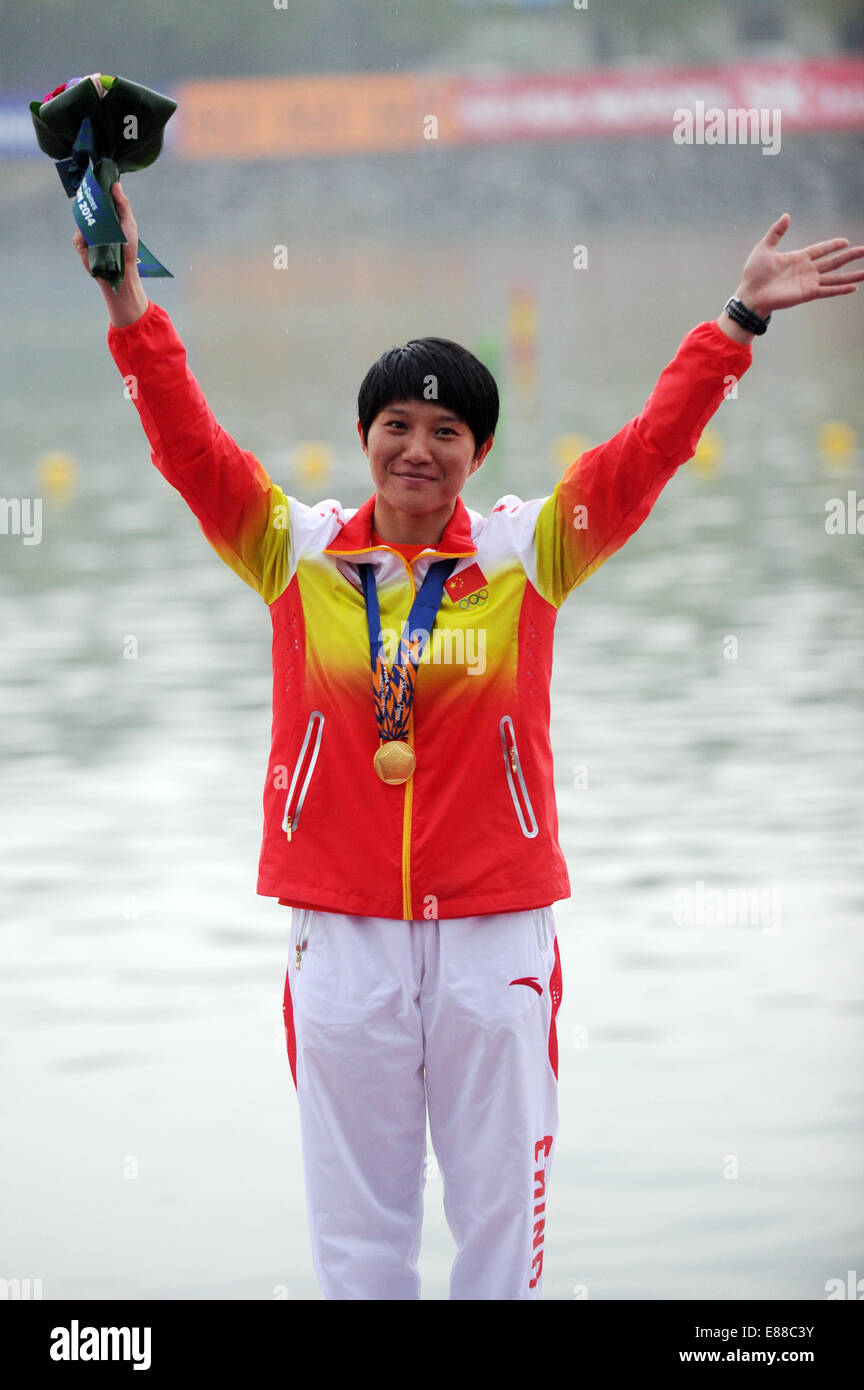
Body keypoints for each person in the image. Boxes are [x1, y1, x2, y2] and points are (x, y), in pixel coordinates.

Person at [75, 187, 863, 1300]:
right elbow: (186, 443)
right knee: (358, 1241)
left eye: (445, 432)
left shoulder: (526, 554)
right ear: (364, 438)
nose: (418, 448)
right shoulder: (293, 552)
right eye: (397, 425)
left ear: (478, 450)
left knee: (501, 1231)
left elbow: (646, 454)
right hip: (342, 929)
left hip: (495, 931)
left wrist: (735, 323)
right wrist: (125, 299)